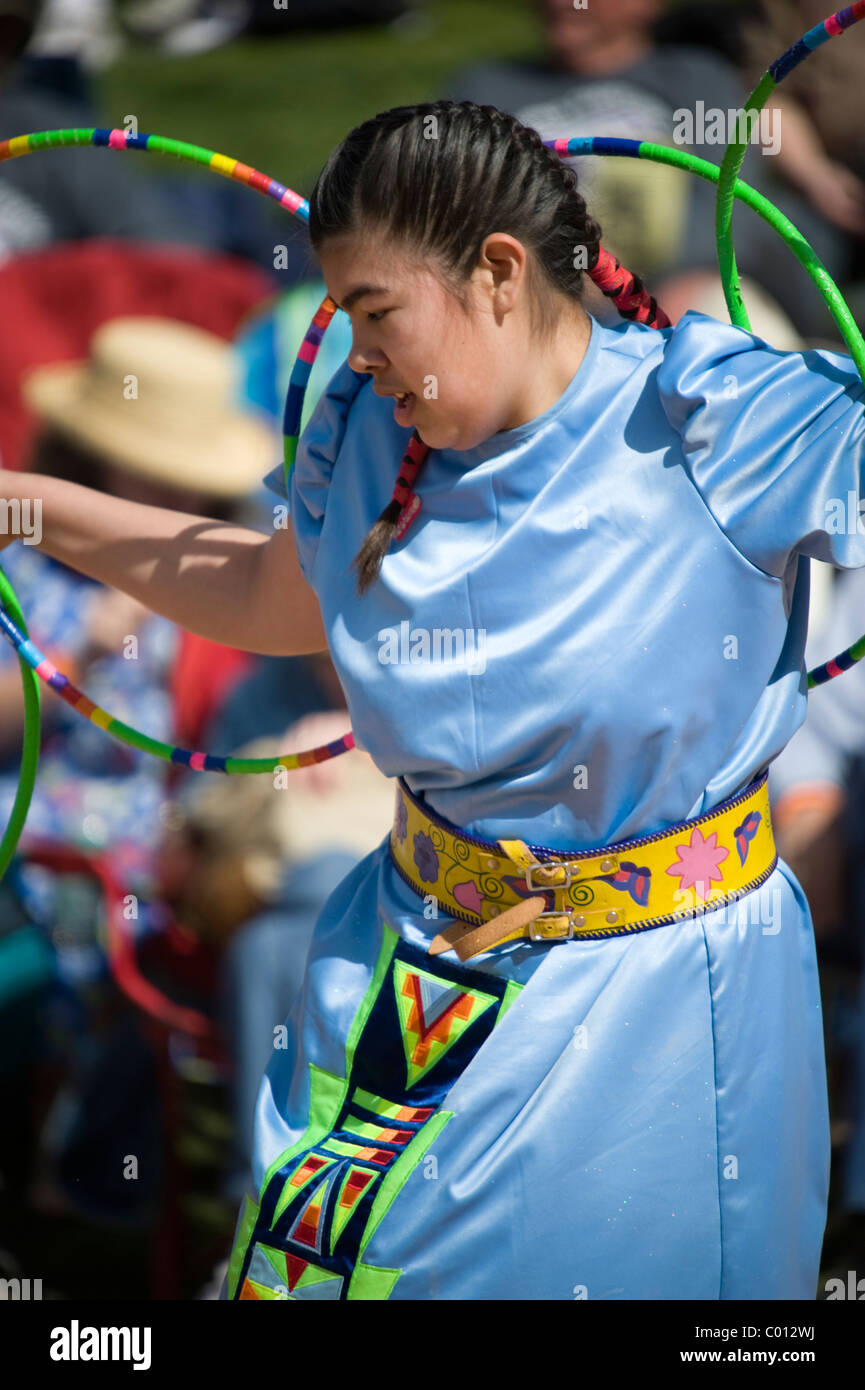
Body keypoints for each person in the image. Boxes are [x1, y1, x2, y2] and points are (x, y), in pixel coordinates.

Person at [0, 99, 861, 1300]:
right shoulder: (370, 433)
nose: (353, 351)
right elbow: (262, 589)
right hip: (419, 964)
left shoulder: (714, 418)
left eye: (373, 311)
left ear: (499, 273)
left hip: (668, 1004)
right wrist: (23, 505)